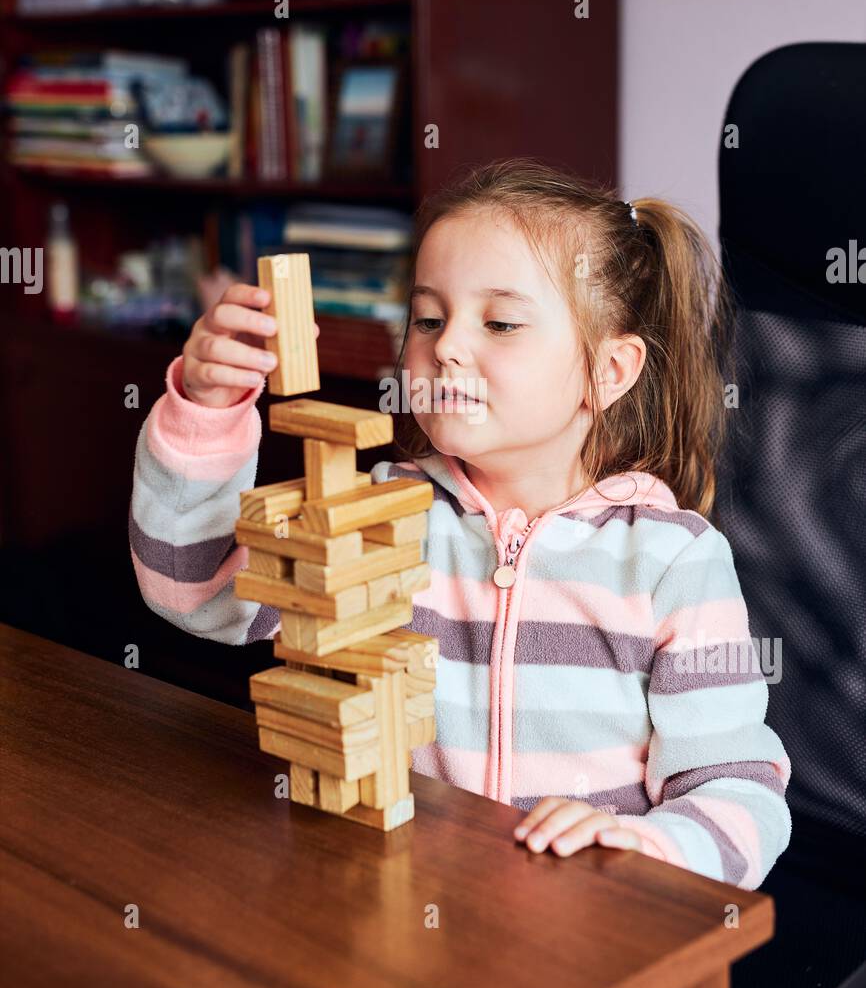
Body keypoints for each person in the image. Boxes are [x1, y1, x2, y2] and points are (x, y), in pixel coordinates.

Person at [129, 158, 791, 889]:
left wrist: (648, 851)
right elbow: (193, 588)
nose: (444, 346)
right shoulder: (380, 516)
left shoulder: (677, 563)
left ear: (610, 370)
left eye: (499, 322)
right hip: (403, 908)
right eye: (428, 318)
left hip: (584, 929)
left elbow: (740, 794)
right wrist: (205, 409)